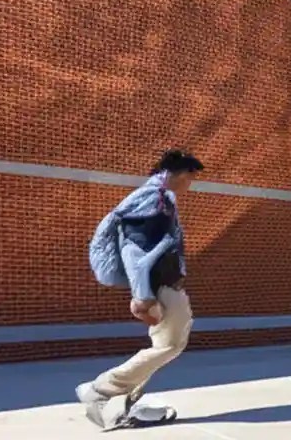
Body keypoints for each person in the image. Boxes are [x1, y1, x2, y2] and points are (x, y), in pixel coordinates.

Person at [76, 149, 203, 428]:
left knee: (166, 345)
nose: (189, 186)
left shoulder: (156, 198)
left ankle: (119, 401)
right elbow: (134, 252)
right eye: (190, 179)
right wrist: (143, 296)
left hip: (162, 284)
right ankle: (101, 391)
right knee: (169, 345)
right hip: (159, 286)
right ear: (178, 174)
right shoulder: (155, 200)